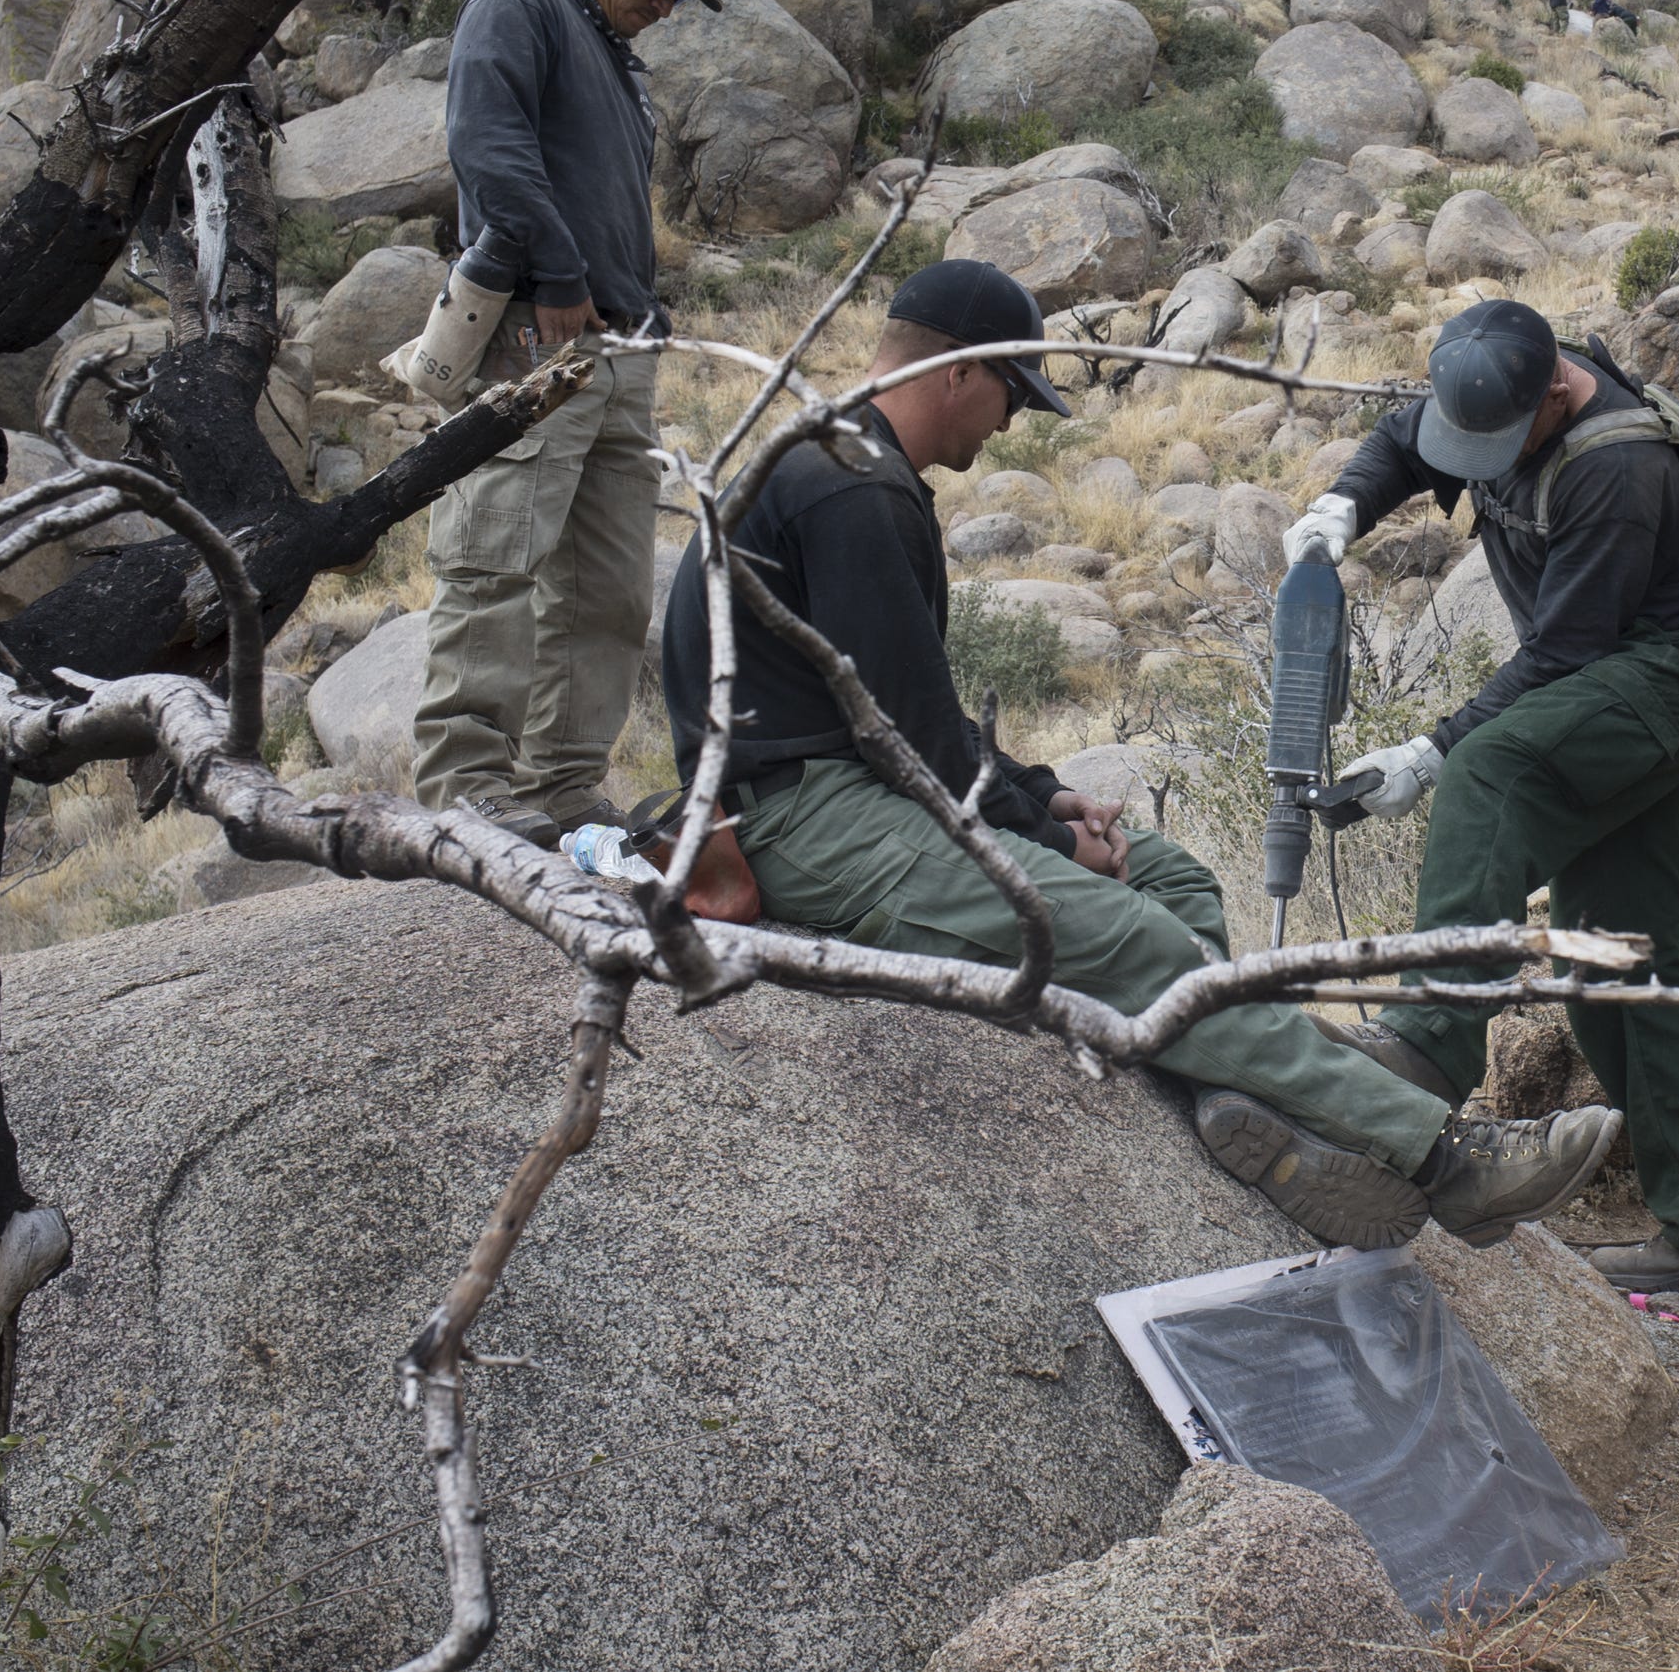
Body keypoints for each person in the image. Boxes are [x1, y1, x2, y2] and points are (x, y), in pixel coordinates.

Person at [661, 262, 1619, 1252]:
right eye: (1007, 395)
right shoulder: (850, 491)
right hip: (800, 818)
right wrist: (1044, 834)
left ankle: (1239, 1094)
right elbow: (905, 741)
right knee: (1134, 937)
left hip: (858, 790)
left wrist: (1047, 799)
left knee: (1170, 874)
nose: (1006, 426)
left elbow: (903, 714)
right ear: (958, 373)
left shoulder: (841, 460)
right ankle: (1447, 1162)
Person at [1284, 301, 1679, 1301]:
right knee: (1622, 952)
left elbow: (1562, 655)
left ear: (1554, 383)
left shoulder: (1617, 467)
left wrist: (1431, 752)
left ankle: (1430, 1040)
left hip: (1658, 678)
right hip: (1601, 687)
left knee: (1491, 769)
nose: (1478, 457)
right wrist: (1344, 506)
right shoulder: (1492, 381)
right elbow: (1402, 438)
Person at [412, 0, 715, 847]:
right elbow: (486, 146)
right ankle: (465, 784)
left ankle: (562, 784)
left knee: (610, 588)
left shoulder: (618, 65)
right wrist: (556, 274)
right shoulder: (522, 6)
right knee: (494, 555)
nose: (666, 6)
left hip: (619, 349)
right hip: (538, 339)